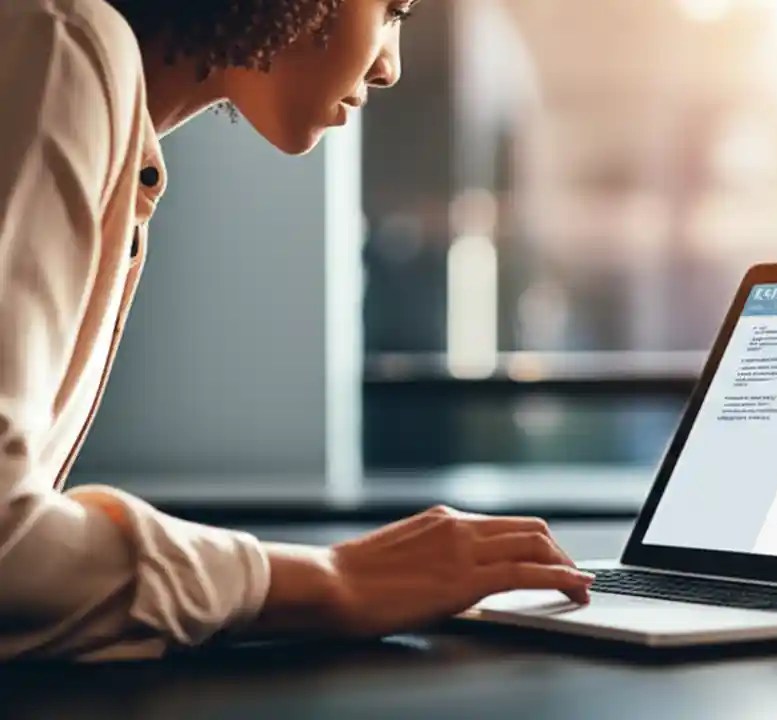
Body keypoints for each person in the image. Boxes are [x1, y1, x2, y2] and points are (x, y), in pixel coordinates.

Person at [0, 0, 594, 661]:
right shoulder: (62, 41)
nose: (390, 68)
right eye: (392, 10)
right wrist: (327, 581)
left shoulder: (89, 89)